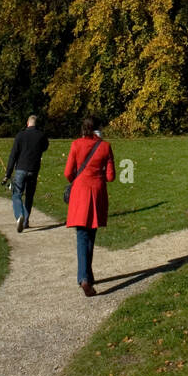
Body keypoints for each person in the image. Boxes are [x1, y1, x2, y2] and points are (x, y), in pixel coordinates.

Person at [64, 116, 115, 296]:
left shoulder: (76, 145)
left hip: (80, 192)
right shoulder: (105, 146)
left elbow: (68, 172)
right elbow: (110, 176)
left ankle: (85, 277)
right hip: (97, 192)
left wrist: (77, 181)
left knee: (81, 235)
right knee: (90, 234)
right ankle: (86, 276)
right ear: (97, 128)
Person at [4, 115, 49, 233]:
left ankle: (20, 215)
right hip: (34, 170)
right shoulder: (41, 135)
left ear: (27, 123)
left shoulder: (20, 135)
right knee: (29, 196)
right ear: (36, 124)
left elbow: (13, 155)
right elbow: (45, 147)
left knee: (16, 194)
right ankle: (25, 222)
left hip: (20, 169)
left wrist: (8, 174)